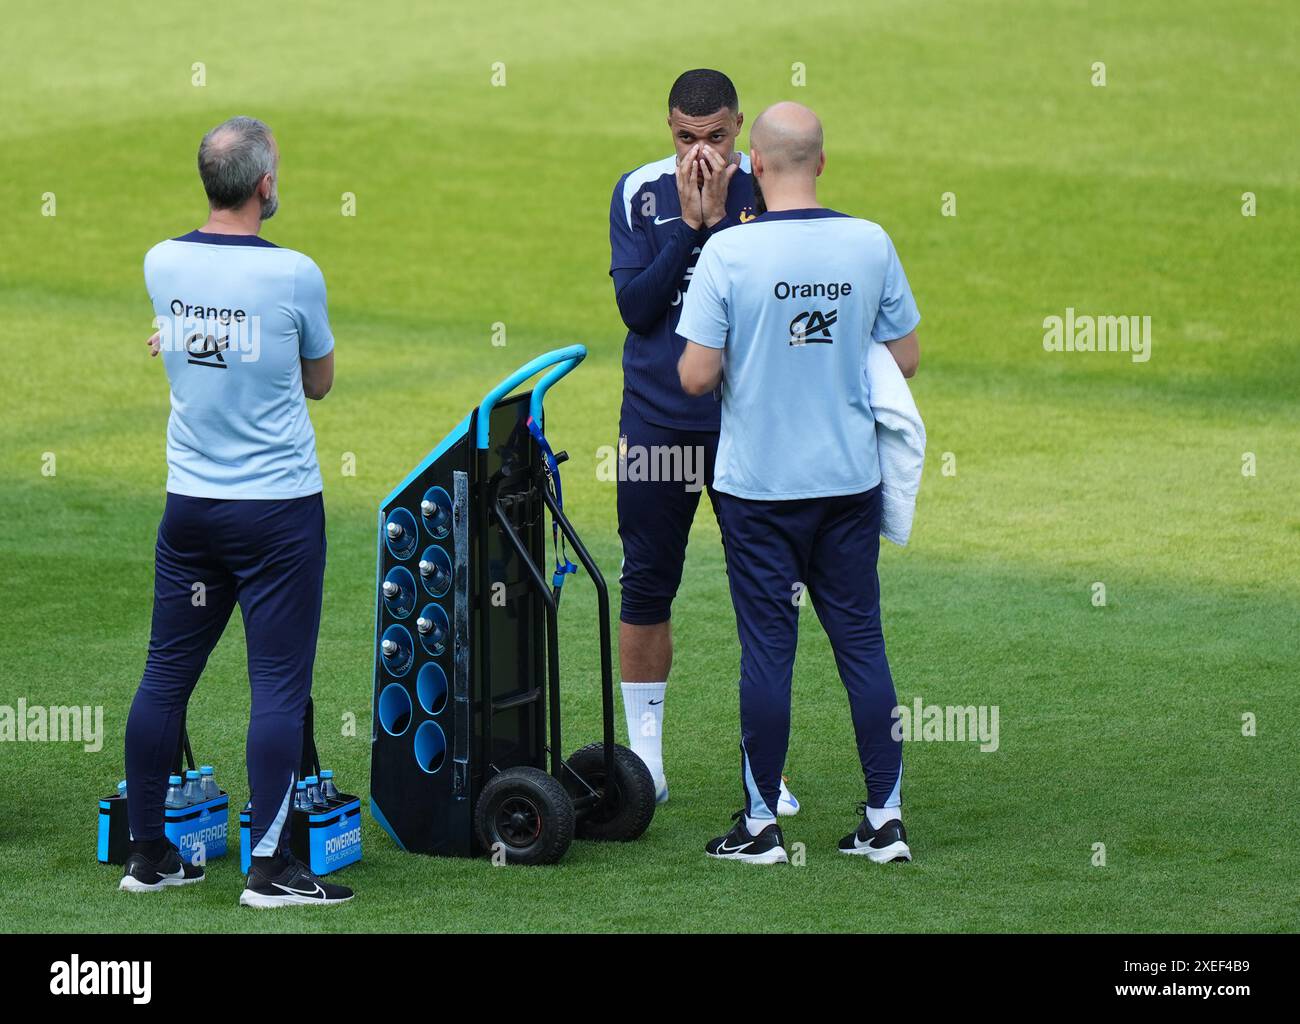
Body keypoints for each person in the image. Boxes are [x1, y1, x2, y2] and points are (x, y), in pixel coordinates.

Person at [677, 102, 921, 864]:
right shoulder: (869, 242)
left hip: (759, 490)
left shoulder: (728, 253)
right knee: (862, 645)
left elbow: (694, 375)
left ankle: (760, 828)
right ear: (822, 161)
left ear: (752, 163)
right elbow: (905, 357)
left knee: (767, 653)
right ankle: (885, 820)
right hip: (848, 480)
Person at [123, 116, 352, 907]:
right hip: (277, 515)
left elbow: (184, 339)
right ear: (263, 183)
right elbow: (319, 383)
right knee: (279, 688)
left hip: (190, 510)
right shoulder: (294, 274)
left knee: (164, 676)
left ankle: (148, 856)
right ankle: (271, 869)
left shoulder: (163, 261)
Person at [609, 68, 797, 814]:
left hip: (749, 425)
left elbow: (768, 308)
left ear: (740, 129)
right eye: (688, 138)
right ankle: (645, 764)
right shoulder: (639, 192)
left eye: (716, 138)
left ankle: (765, 769)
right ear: (669, 130)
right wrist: (690, 227)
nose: (702, 155)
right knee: (647, 584)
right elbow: (636, 309)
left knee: (764, 593)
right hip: (658, 425)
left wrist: (719, 222)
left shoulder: (768, 190)